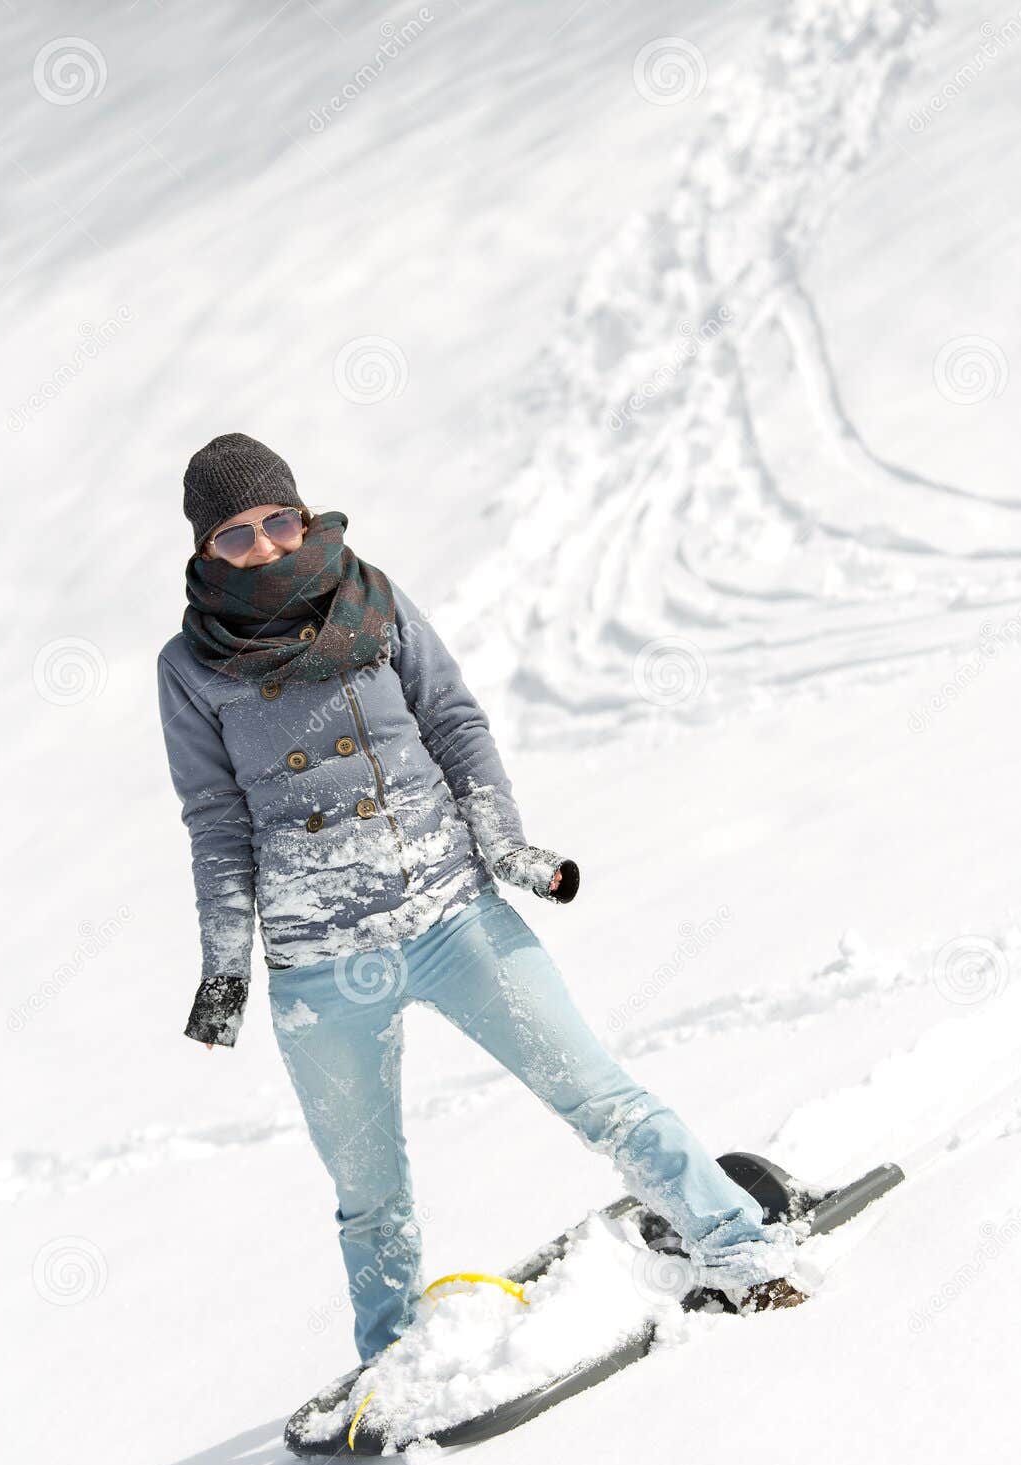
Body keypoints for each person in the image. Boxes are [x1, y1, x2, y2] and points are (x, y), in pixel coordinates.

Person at [158, 433, 802, 1367]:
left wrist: (504, 847)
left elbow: (453, 722)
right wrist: (225, 967)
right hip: (319, 958)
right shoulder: (189, 666)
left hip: (449, 915)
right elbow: (215, 822)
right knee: (367, 1190)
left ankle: (745, 1255)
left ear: (302, 515)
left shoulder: (370, 600)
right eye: (235, 534)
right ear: (203, 550)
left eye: (277, 520)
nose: (262, 545)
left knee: (599, 1096)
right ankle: (393, 1362)